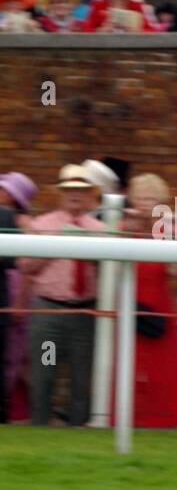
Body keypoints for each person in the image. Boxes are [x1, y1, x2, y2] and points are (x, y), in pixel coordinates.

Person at [16, 165, 105, 426]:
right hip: (49, 315)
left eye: (80, 191)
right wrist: (57, 242)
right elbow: (25, 265)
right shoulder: (41, 225)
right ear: (60, 193)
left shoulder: (99, 229)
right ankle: (41, 428)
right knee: (45, 373)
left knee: (82, 376)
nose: (74, 196)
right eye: (69, 190)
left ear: (89, 194)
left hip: (84, 314)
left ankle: (78, 433)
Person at [111, 175, 177, 427]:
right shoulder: (123, 227)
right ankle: (126, 416)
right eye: (141, 198)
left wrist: (173, 237)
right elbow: (110, 266)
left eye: (151, 198)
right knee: (128, 362)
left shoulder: (170, 230)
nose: (145, 203)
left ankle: (163, 418)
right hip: (129, 302)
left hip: (159, 303)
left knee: (161, 366)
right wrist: (127, 230)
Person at [0, 171, 36, 423]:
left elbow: (26, 269)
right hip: (10, 291)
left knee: (16, 356)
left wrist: (20, 302)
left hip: (14, 294)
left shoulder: (23, 223)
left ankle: (18, 409)